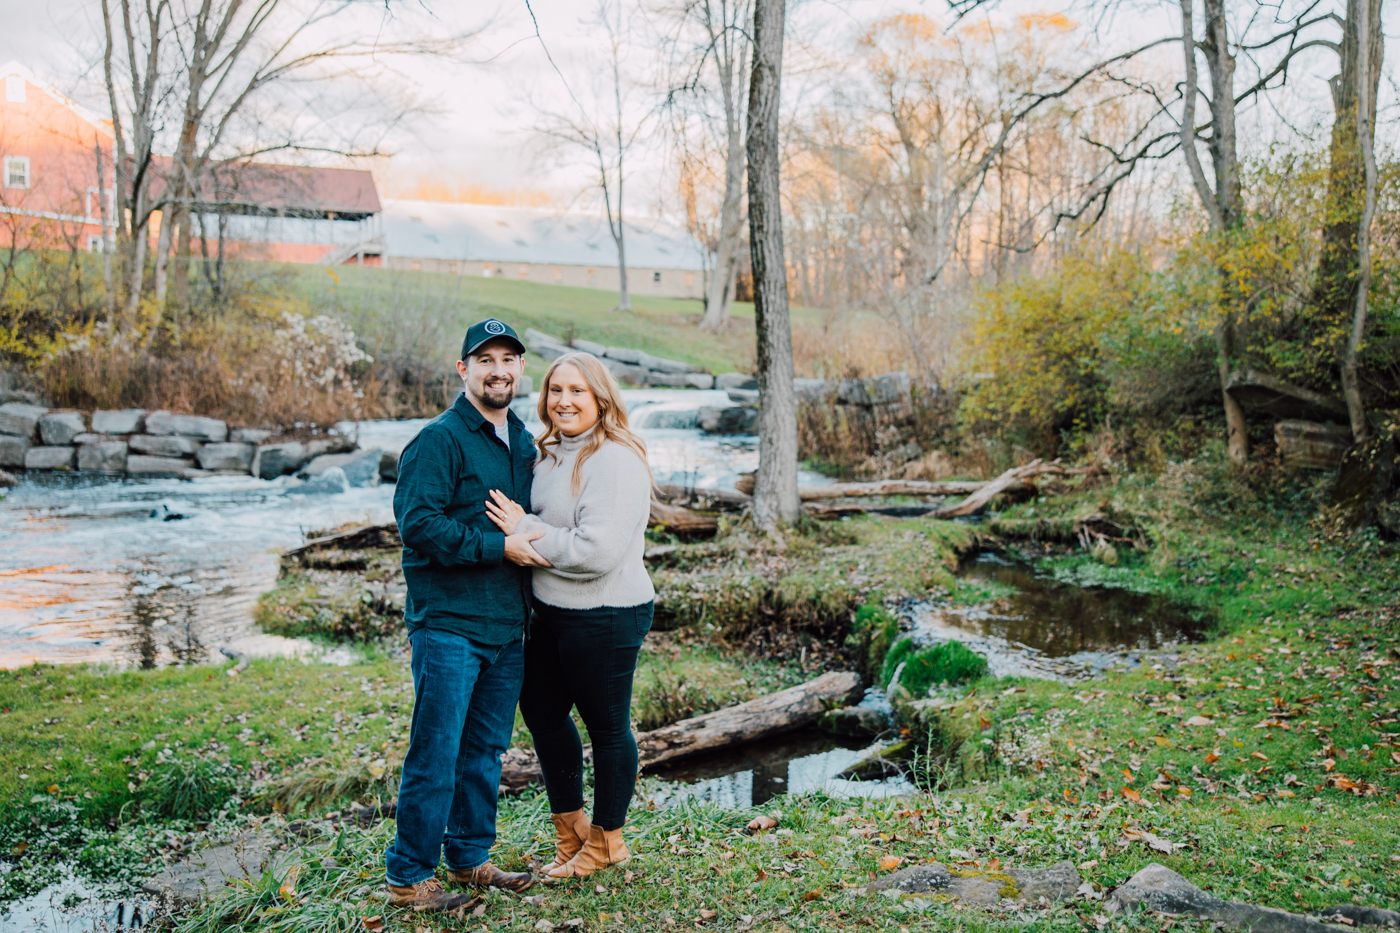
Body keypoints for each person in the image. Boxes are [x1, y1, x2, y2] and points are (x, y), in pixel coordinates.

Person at [384, 319, 548, 910]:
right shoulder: (440, 439)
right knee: (437, 749)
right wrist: (496, 546)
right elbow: (419, 525)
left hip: (508, 627)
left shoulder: (525, 443)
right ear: (463, 369)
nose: (498, 370)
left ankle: (470, 859)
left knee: (485, 752)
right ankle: (407, 876)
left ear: (520, 369)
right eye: (485, 360)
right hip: (449, 625)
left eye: (508, 359)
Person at [485, 351, 655, 879]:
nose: (564, 401)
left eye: (577, 391)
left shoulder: (617, 459)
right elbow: (554, 530)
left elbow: (597, 552)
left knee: (606, 728)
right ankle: (571, 832)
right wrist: (532, 532)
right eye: (556, 391)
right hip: (551, 610)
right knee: (540, 711)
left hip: (606, 612)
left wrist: (526, 531)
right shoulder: (552, 451)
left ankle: (608, 842)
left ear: (600, 396)